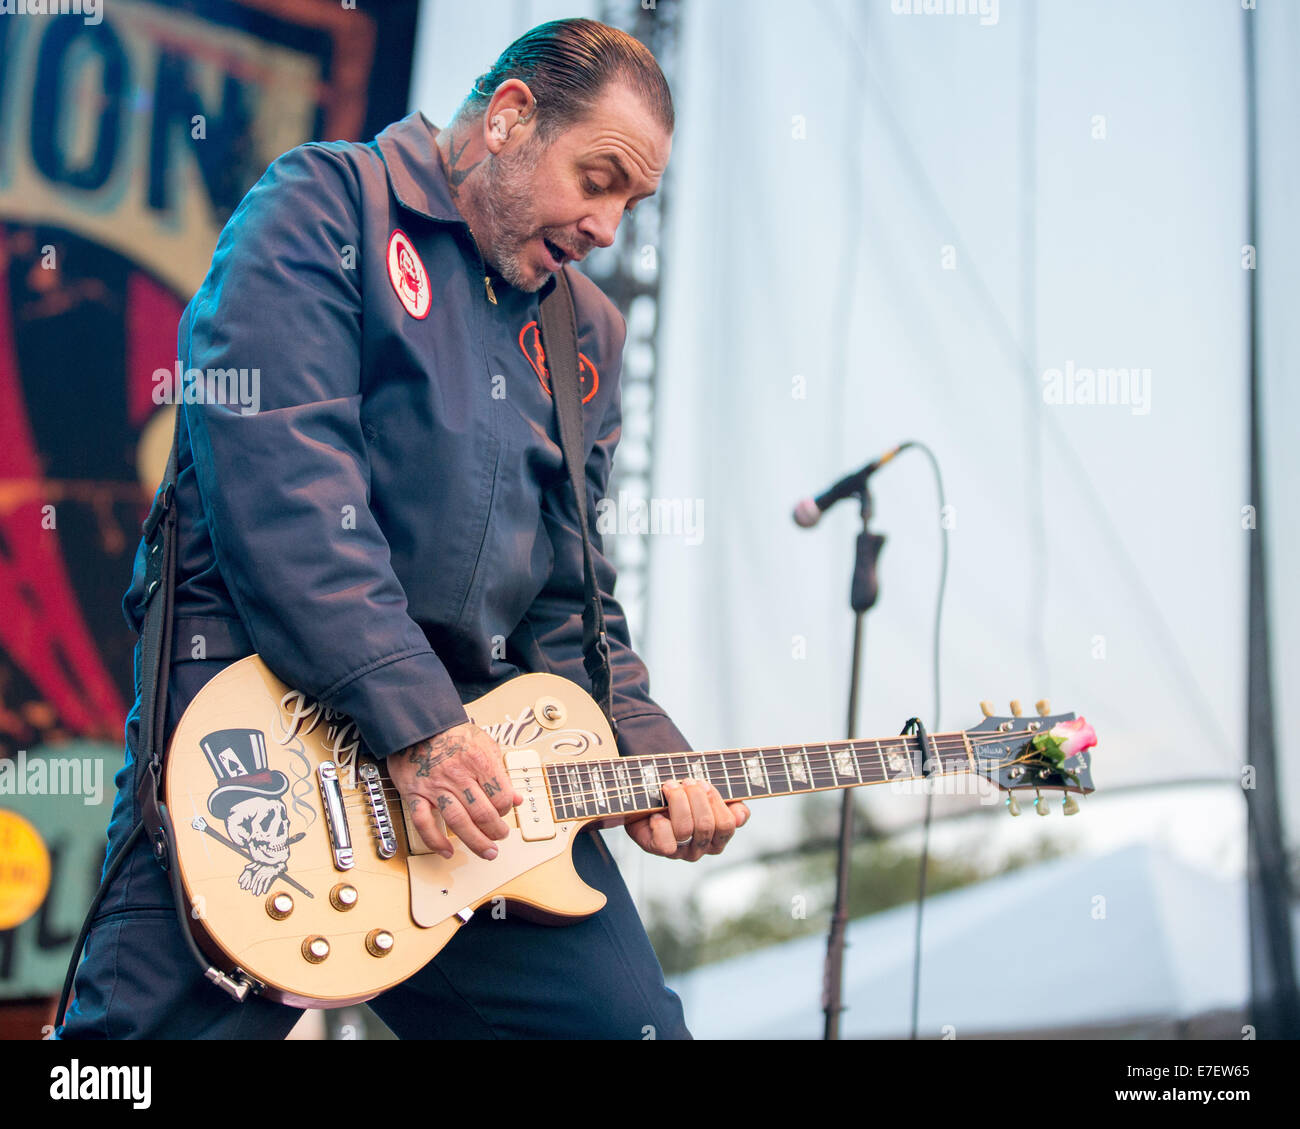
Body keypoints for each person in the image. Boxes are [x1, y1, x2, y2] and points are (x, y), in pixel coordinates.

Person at [57, 17, 748, 1041]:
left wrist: (648, 753)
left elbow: (573, 596)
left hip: (481, 790)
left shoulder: (584, 330)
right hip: (264, 758)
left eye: (631, 201)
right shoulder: (323, 204)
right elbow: (284, 490)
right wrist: (414, 725)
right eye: (597, 178)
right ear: (511, 118)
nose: (608, 224)